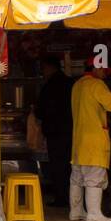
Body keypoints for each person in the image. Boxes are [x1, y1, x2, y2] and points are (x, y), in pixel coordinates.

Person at [69, 60, 111, 221]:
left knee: (77, 177)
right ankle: (94, 213)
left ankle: (76, 211)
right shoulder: (97, 85)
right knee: (94, 178)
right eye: (104, 70)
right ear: (96, 68)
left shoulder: (77, 85)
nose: (105, 74)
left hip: (79, 140)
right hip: (94, 139)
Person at [34, 55, 74, 208]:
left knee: (58, 166)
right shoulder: (71, 83)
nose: (42, 71)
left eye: (43, 68)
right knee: (70, 166)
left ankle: (62, 198)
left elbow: (41, 110)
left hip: (56, 132)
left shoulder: (50, 86)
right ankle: (72, 199)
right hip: (71, 131)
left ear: (51, 67)